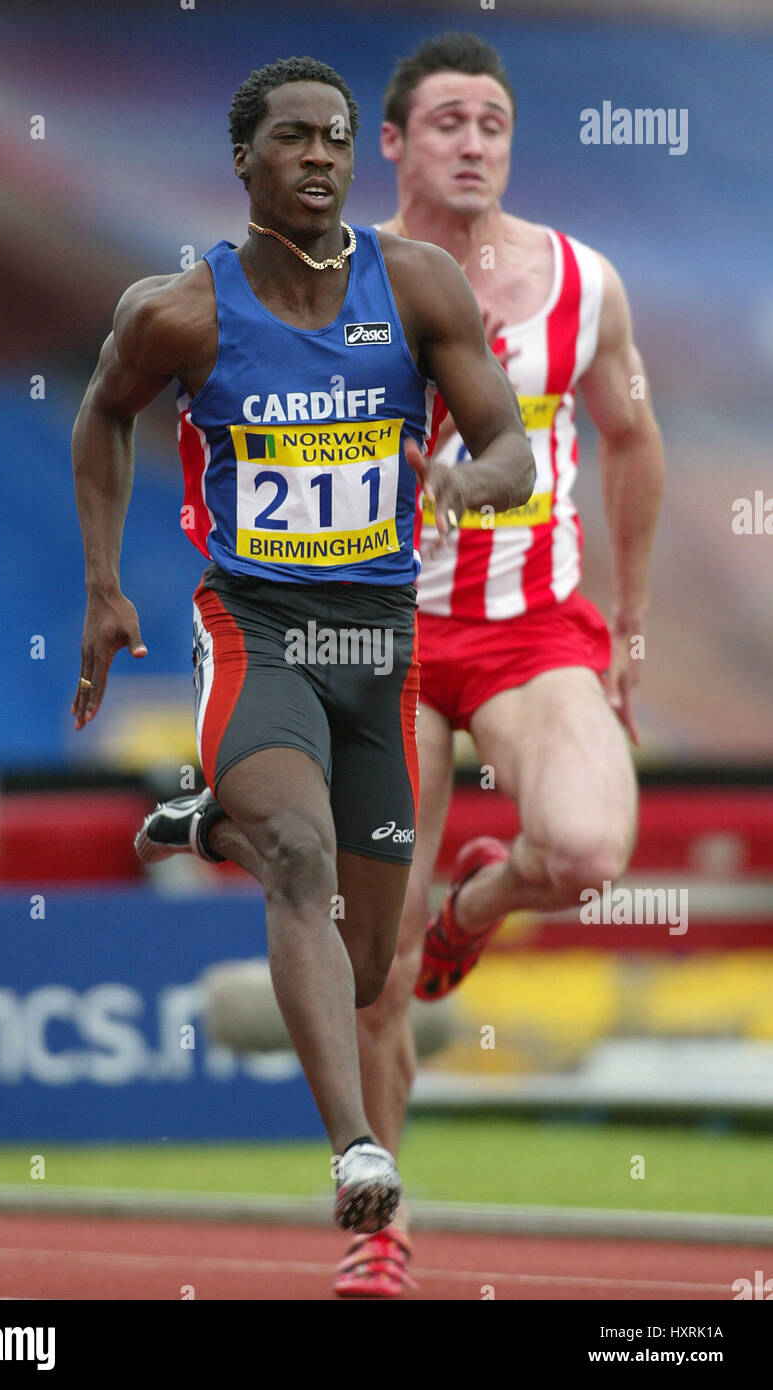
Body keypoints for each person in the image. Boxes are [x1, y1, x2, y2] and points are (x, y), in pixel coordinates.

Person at [71, 55, 534, 1237]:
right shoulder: (176, 311)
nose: (320, 154)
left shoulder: (420, 285)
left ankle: (208, 823)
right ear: (244, 162)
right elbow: (102, 415)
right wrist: (104, 587)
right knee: (298, 855)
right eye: (292, 137)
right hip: (256, 628)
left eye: (334, 136)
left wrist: (458, 476)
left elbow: (509, 451)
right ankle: (355, 1151)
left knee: (371, 959)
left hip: (377, 644)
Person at [334, 32, 666, 1295]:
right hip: (381, 639)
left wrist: (625, 626)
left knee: (585, 850)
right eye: (448, 123)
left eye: (492, 124)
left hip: (532, 632)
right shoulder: (328, 279)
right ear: (395, 143)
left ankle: (475, 909)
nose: (473, 144)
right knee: (374, 957)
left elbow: (631, 439)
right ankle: (379, 1220)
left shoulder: (584, 283)